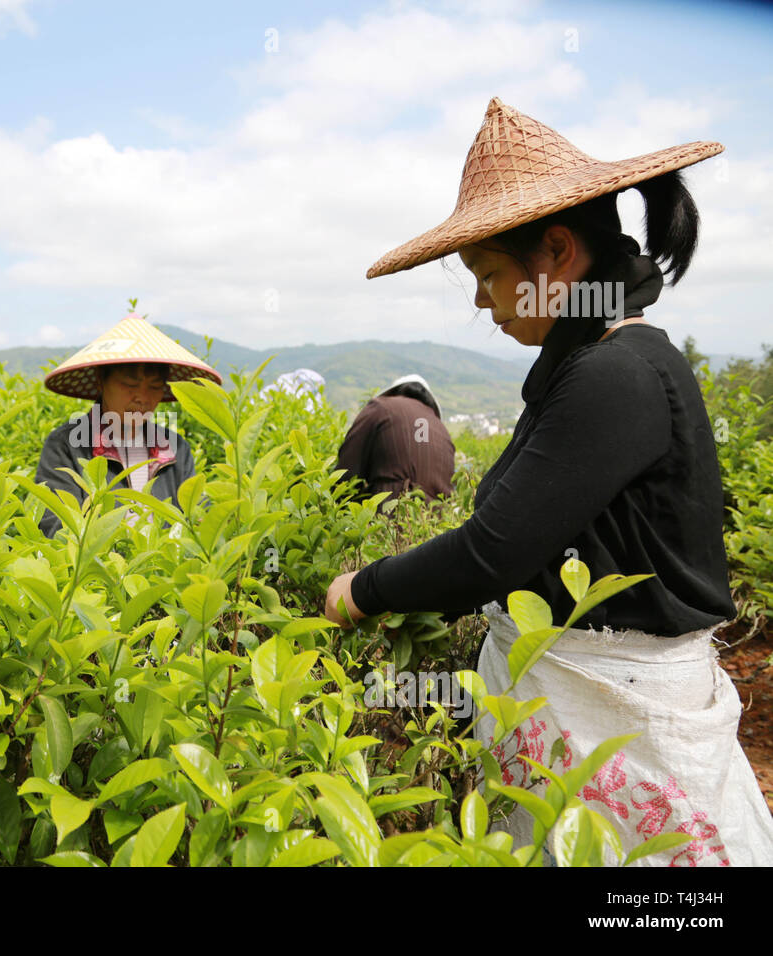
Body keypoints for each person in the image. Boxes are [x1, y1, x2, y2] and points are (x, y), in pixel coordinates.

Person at [324, 97, 773, 865]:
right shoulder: (591, 363)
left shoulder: (617, 375)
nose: (479, 298)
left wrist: (363, 590)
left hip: (616, 719)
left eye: (489, 272)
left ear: (557, 252)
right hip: (586, 705)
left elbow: (490, 553)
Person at [34, 313, 221, 538]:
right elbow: (56, 526)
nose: (142, 397)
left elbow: (197, 518)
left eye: (154, 386)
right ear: (102, 381)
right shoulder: (65, 445)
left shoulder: (175, 449)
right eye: (130, 383)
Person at [333, 373, 455, 504]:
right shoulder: (443, 431)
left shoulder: (381, 407)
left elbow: (347, 471)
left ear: (395, 392)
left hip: (389, 512)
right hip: (436, 520)